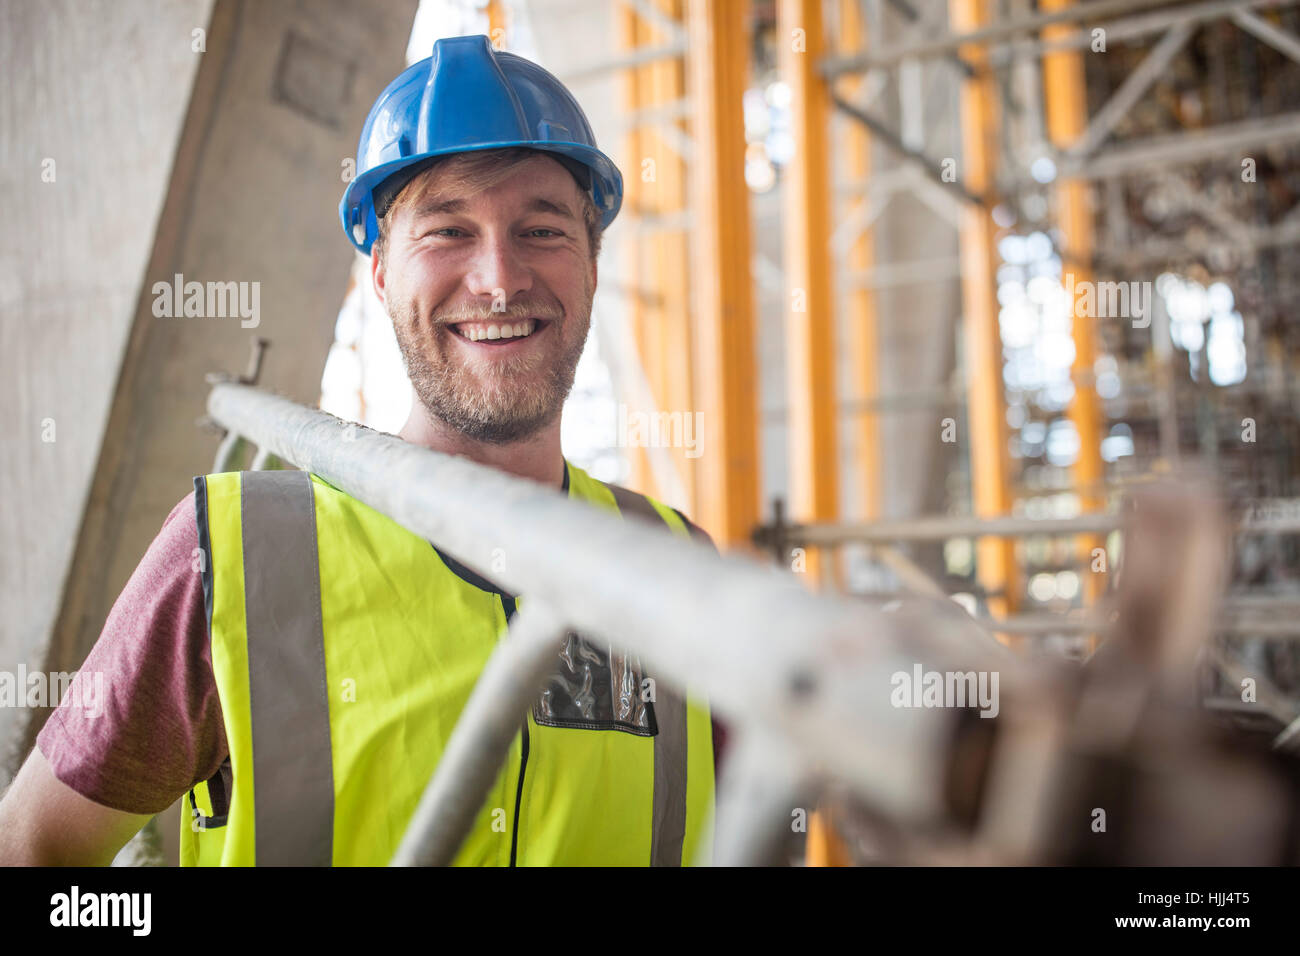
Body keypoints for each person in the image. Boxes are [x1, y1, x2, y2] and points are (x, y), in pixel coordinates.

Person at [0, 34, 722, 866]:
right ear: (379, 272)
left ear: (591, 264)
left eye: (543, 229)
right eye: (447, 230)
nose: (498, 278)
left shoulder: (677, 573)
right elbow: (33, 852)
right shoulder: (234, 558)